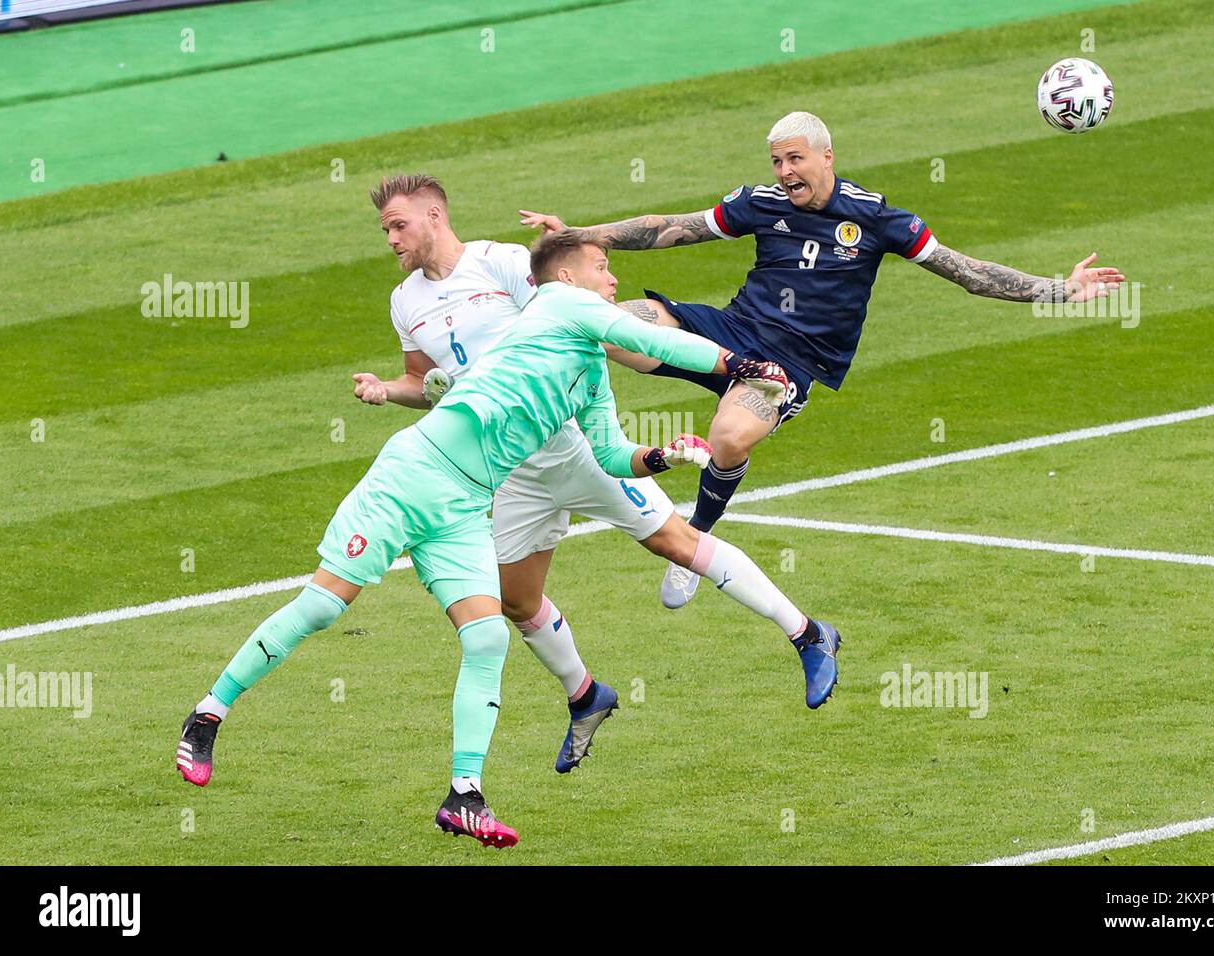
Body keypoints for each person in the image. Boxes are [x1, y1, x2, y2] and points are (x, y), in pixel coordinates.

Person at [174, 215, 801, 849]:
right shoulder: (562, 305)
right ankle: (207, 715)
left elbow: (610, 453)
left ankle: (463, 796)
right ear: (564, 275)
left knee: (485, 640)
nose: (613, 278)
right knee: (321, 607)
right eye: (601, 266)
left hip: (466, 508)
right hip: (414, 475)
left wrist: (663, 456)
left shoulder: (587, 368)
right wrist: (743, 364)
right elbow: (667, 346)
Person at [519, 110, 1125, 608]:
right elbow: (669, 227)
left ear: (826, 157)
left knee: (728, 438)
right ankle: (550, 425)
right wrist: (577, 237)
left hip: (792, 363)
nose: (785, 172)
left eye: (795, 159)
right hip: (729, 330)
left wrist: (1057, 289)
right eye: (777, 162)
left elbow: (966, 273)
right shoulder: (760, 203)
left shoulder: (878, 219)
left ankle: (697, 533)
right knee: (607, 325)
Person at [353, 177, 844, 778]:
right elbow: (423, 380)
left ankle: (808, 633)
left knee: (674, 542)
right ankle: (586, 696)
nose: (391, 239)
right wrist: (389, 390)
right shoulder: (405, 300)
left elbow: (577, 296)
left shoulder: (501, 263)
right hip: (510, 467)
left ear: (434, 216)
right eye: (386, 230)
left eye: (398, 225)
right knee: (516, 599)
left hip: (571, 443)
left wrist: (576, 245)